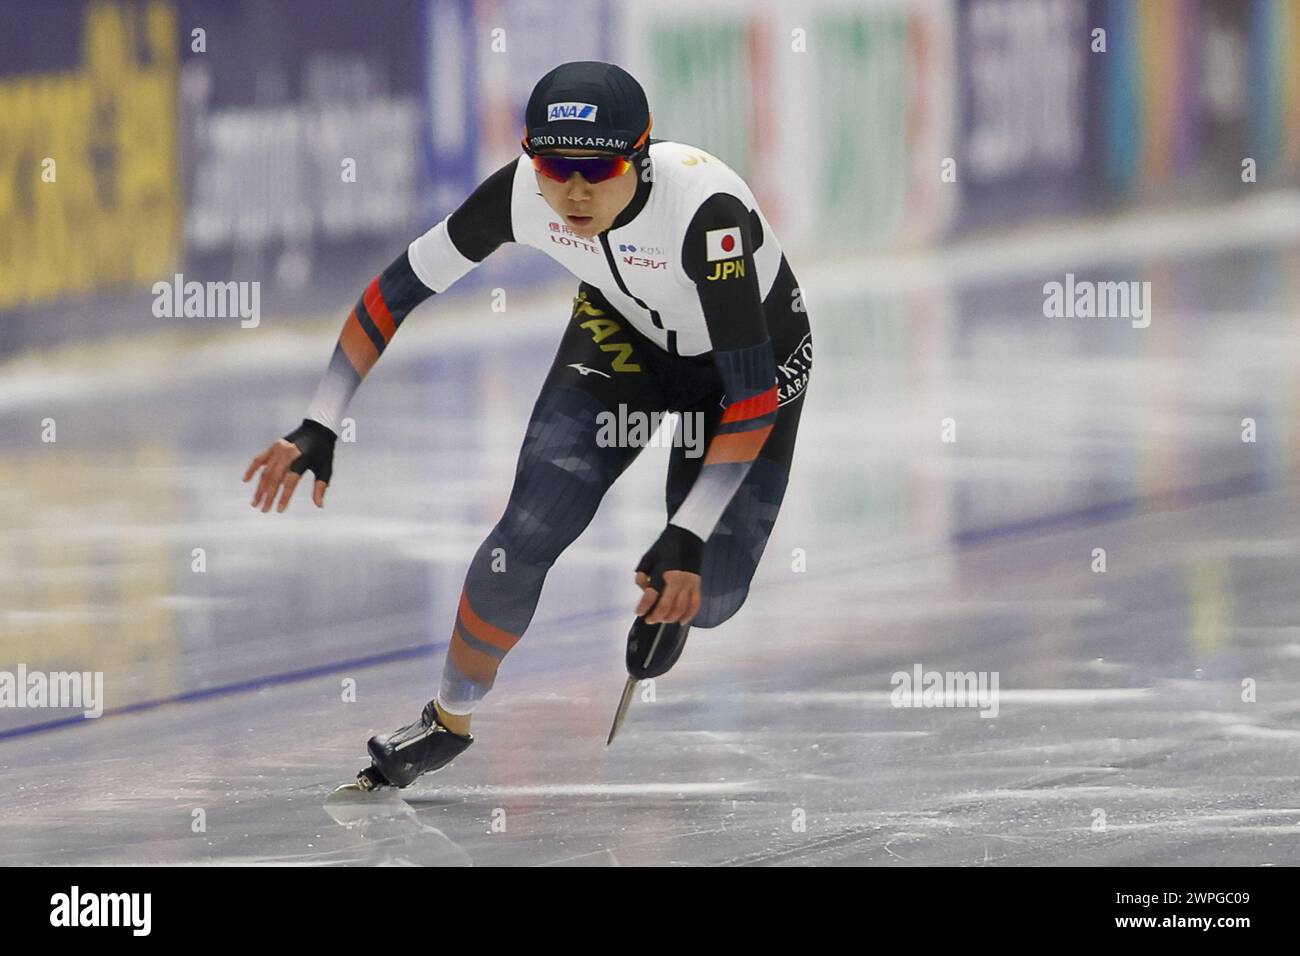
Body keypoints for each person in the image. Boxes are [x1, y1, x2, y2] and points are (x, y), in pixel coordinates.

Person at [242, 61, 812, 789]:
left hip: (748, 369)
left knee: (713, 595)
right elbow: (397, 288)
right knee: (530, 525)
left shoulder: (709, 217)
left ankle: (678, 602)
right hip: (623, 345)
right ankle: (447, 719)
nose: (573, 192)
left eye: (597, 169)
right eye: (553, 166)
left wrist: (690, 531)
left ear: (640, 158)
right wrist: (321, 419)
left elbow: (752, 397)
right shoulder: (520, 195)